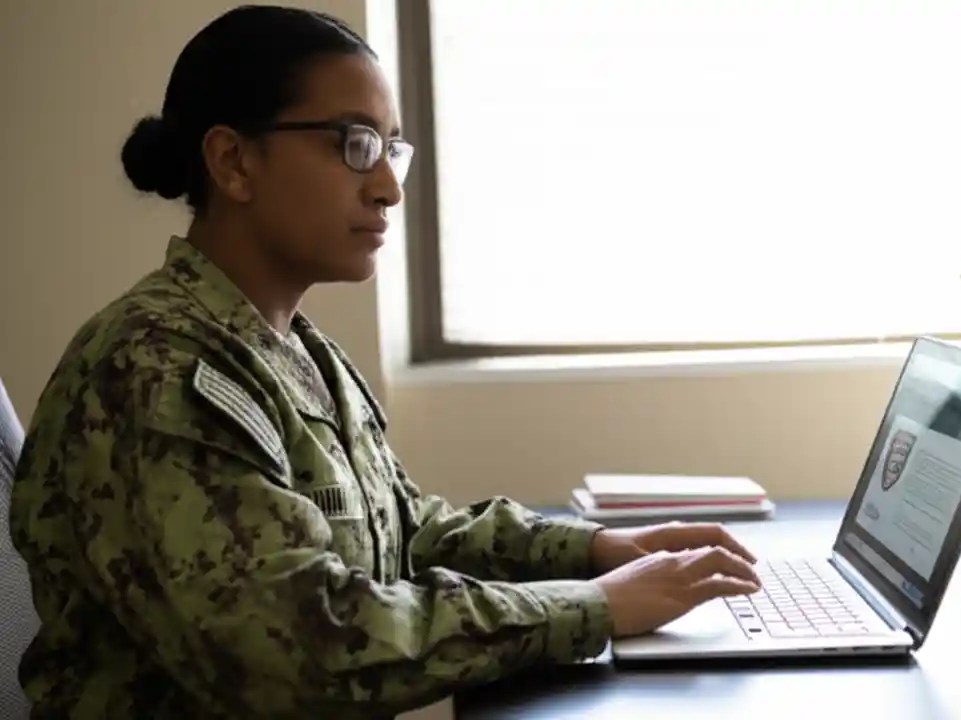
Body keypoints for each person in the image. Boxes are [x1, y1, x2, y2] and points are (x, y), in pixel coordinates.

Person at [7, 6, 761, 718]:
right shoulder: (155, 371)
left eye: (391, 147)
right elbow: (306, 645)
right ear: (234, 162)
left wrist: (594, 552)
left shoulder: (294, 349)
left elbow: (403, 531)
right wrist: (595, 607)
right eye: (354, 144)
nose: (389, 186)